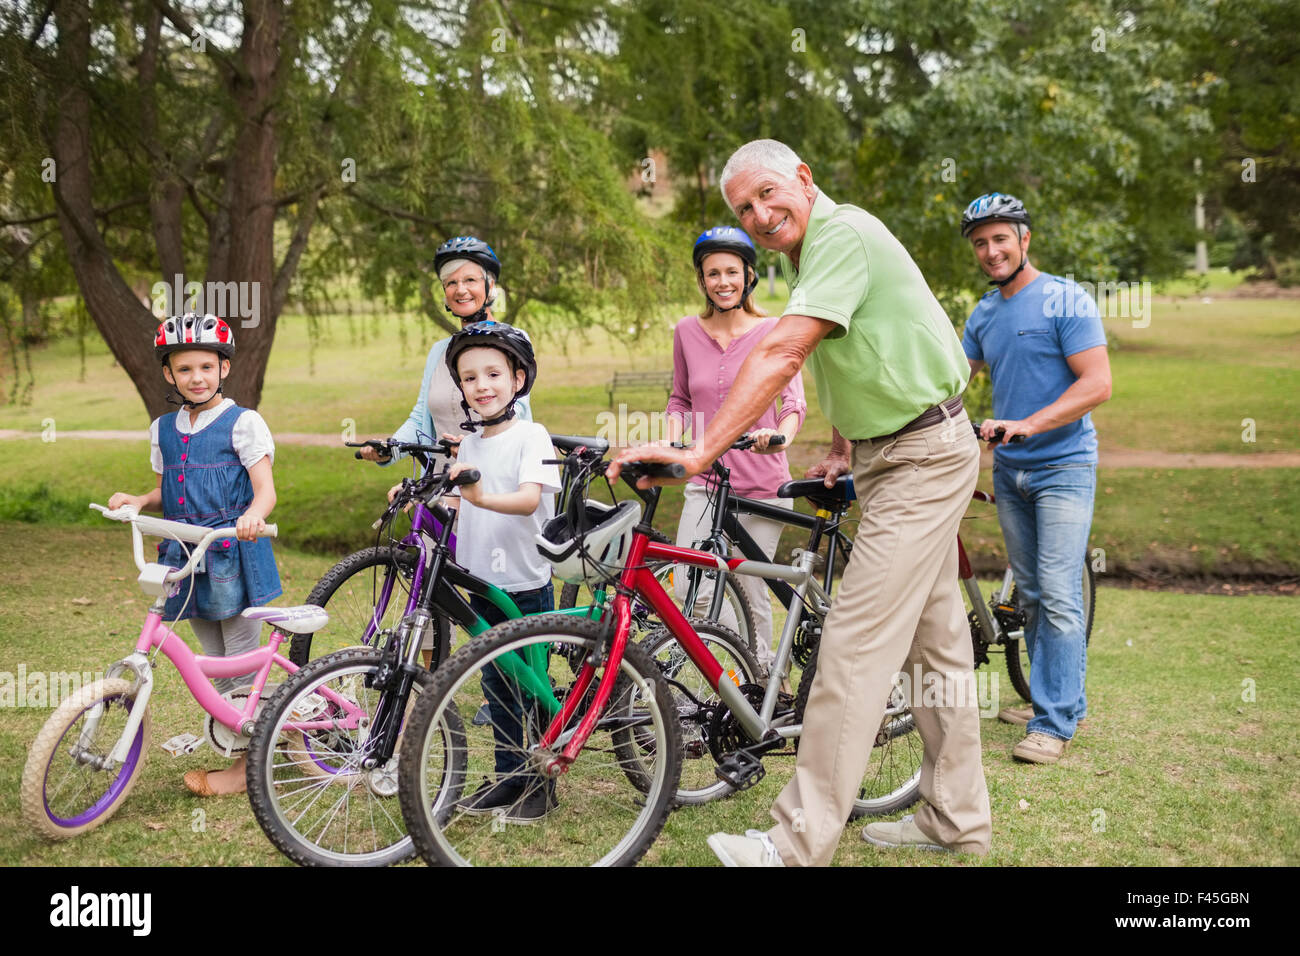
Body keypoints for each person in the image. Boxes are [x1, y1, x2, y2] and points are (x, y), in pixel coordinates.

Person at [611, 139, 992, 866]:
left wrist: (699, 453)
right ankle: (956, 820)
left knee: (851, 648)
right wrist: (848, 448)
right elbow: (876, 350)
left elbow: (785, 350)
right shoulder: (821, 253)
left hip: (923, 458)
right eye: (743, 208)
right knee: (935, 653)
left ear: (805, 180)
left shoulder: (841, 231)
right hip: (900, 452)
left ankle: (794, 845)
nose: (758, 214)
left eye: (767, 195)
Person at [960, 192, 1111, 764]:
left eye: (1001, 238)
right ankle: (1058, 699)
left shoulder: (1065, 299)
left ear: (1025, 239)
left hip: (1064, 469)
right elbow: (952, 381)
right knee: (1033, 596)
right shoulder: (984, 313)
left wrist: (1027, 423)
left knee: (1057, 592)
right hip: (1012, 473)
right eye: (981, 242)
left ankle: (1053, 723)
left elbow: (1097, 384)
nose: (991, 250)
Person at [109, 312, 280, 797]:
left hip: (232, 552)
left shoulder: (243, 423)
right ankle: (248, 743)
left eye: (207, 366)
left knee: (242, 662)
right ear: (169, 374)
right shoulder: (164, 427)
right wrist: (141, 501)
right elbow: (171, 489)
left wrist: (251, 515)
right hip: (186, 556)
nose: (197, 378)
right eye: (185, 369)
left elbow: (265, 491)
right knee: (212, 659)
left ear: (223, 368)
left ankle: (249, 767)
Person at [362, 236, 531, 667]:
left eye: (470, 279)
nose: (460, 289)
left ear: (489, 286)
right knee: (429, 586)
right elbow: (422, 418)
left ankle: (509, 684)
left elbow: (520, 418)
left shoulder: (511, 340)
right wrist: (389, 448)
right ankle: (431, 684)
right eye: (451, 282)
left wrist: (475, 441)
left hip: (488, 485)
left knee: (492, 595)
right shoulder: (441, 352)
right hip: (440, 487)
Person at [664, 226, 806, 674]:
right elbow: (680, 398)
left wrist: (779, 436)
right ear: (702, 280)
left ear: (748, 276)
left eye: (731, 272)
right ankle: (732, 679)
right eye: (712, 274)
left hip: (762, 488)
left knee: (748, 589)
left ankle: (762, 683)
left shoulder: (772, 329)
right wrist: (673, 439)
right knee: (694, 583)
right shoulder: (687, 331)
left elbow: (793, 401)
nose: (722, 281)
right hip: (706, 482)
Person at [439, 320, 562, 823]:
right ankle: (510, 775)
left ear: (518, 379)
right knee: (495, 687)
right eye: (470, 378)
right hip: (481, 584)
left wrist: (482, 496)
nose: (482, 385)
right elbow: (466, 504)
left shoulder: (532, 436)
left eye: (493, 373)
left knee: (529, 687)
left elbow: (529, 498)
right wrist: (442, 501)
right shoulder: (469, 444)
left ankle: (540, 784)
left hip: (524, 584)